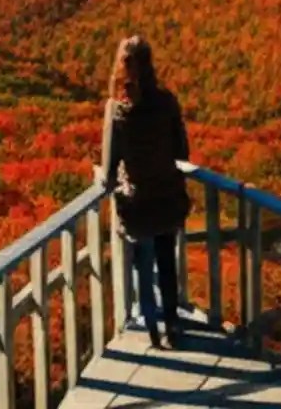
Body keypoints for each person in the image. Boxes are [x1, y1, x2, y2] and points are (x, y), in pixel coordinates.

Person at [101, 35, 191, 349]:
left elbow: (109, 167)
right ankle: (173, 325)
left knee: (143, 261)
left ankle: (151, 327)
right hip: (167, 196)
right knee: (167, 260)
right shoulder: (167, 102)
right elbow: (183, 151)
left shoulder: (116, 110)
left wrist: (117, 177)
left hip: (137, 202)